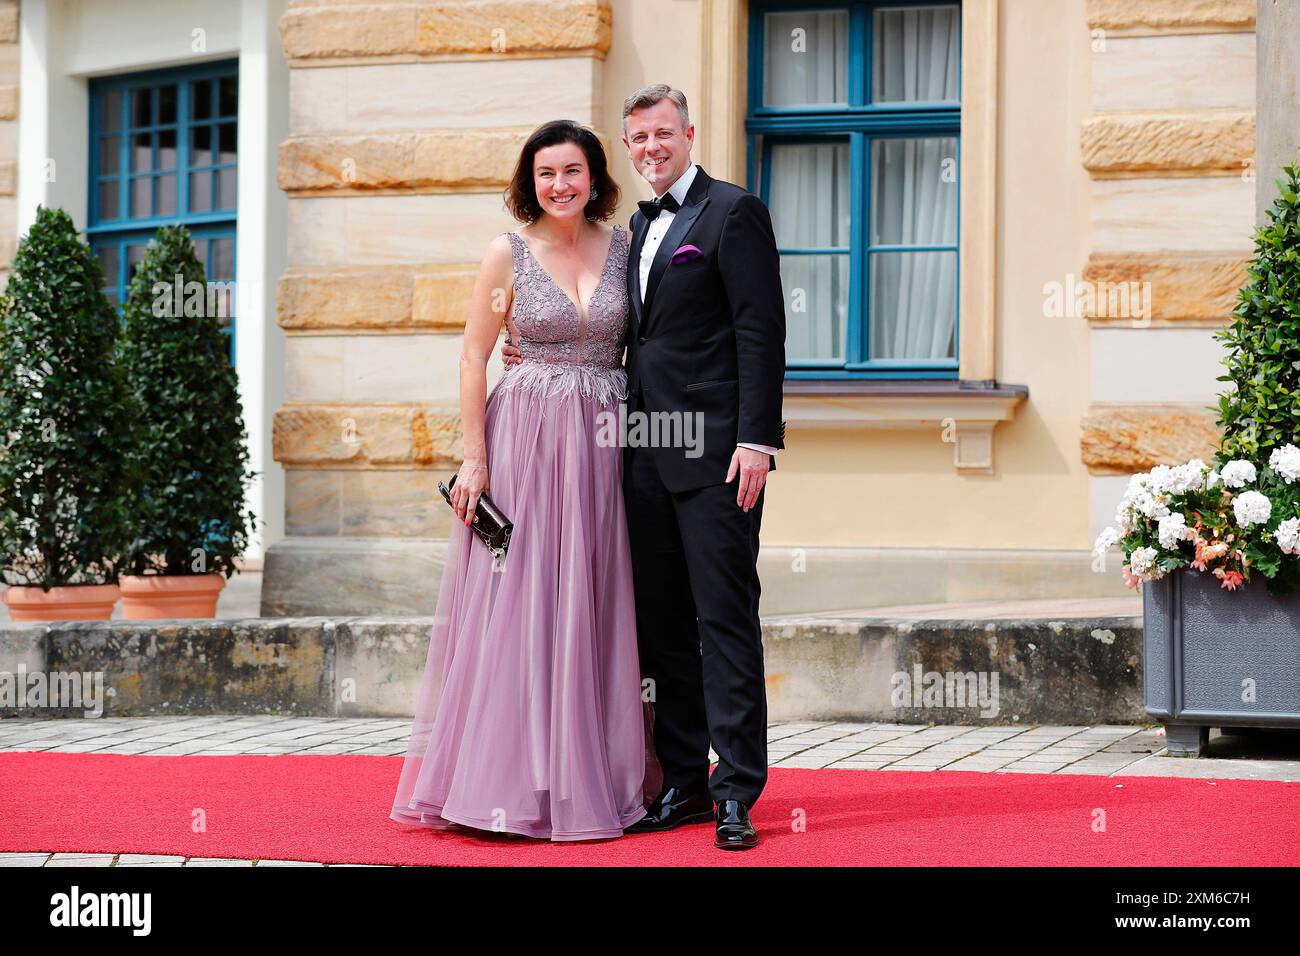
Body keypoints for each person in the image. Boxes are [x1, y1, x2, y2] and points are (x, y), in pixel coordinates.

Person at [504, 84, 786, 850]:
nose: (653, 147)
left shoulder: (734, 213)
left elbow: (760, 333)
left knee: (723, 622)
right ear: (626, 149)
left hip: (719, 456)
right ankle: (685, 784)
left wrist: (757, 439)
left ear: (688, 133)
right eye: (639, 138)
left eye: (664, 133)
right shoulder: (630, 228)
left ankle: (737, 793)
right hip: (638, 455)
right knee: (661, 629)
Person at [388, 119, 659, 841]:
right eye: (547, 174)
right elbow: (473, 358)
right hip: (528, 440)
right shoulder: (506, 255)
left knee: (599, 599)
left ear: (596, 178)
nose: (561, 186)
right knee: (524, 599)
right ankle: (510, 782)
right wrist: (474, 460)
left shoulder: (627, 248)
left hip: (608, 441)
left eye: (573, 171)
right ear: (529, 183)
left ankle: (597, 775)